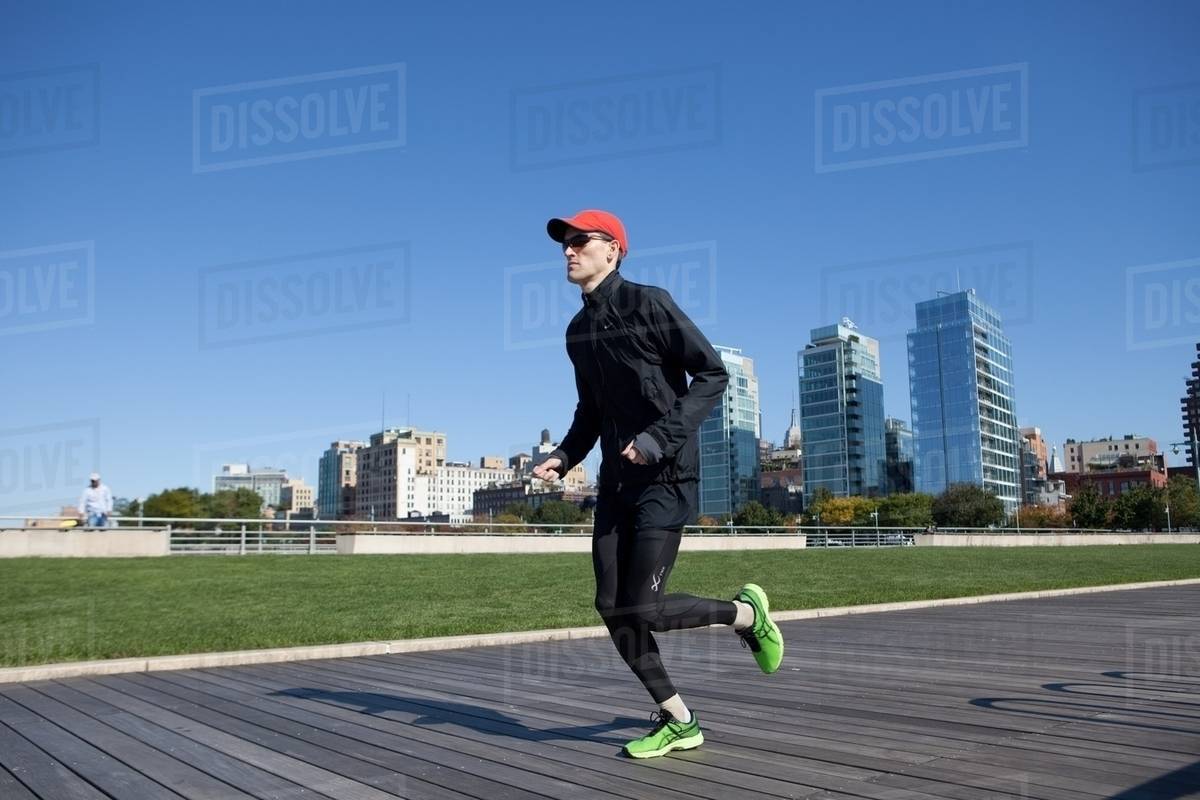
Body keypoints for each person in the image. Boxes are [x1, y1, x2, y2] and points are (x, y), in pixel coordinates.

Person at [534, 209, 784, 759]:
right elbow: (590, 410)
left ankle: (746, 615)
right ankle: (679, 719)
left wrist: (656, 438)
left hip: (666, 477)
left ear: (613, 250)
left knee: (643, 611)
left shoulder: (651, 303)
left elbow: (713, 373)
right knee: (610, 605)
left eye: (581, 241)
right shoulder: (578, 331)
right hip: (616, 484)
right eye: (565, 243)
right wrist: (564, 455)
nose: (569, 250)